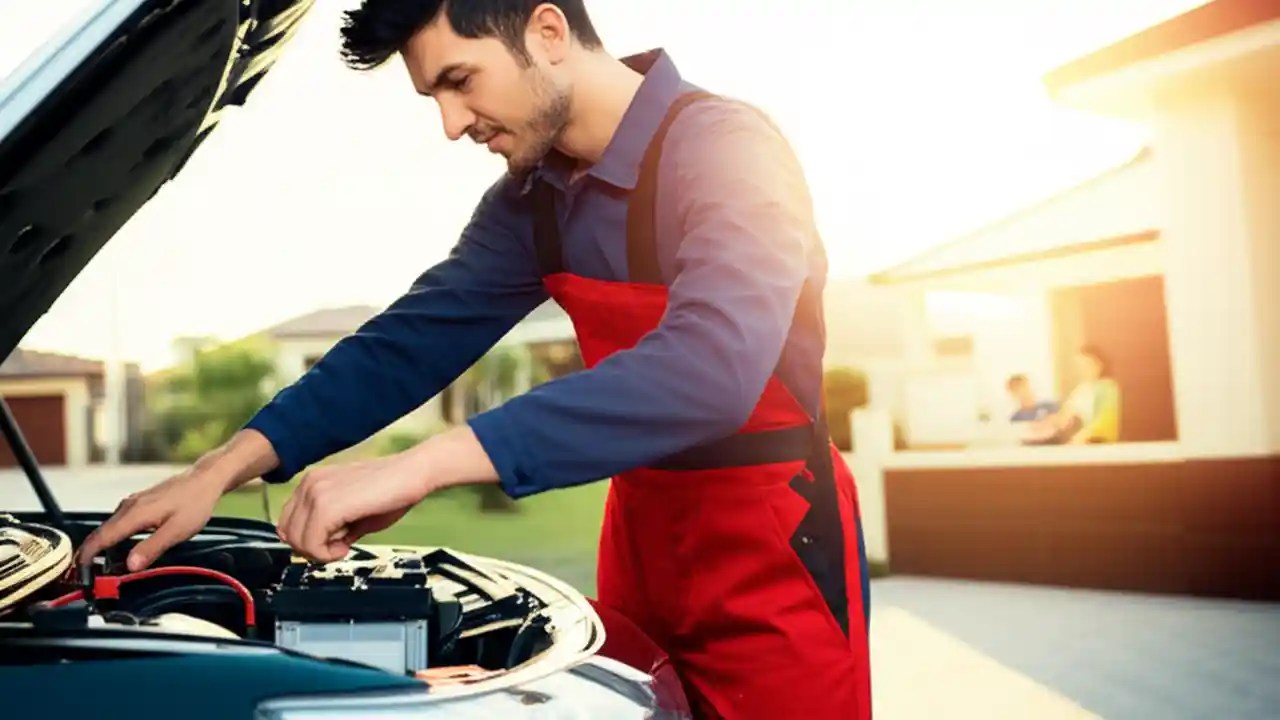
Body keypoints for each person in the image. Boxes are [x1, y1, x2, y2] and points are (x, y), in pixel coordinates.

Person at [76, 2, 872, 718]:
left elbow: (712, 366)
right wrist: (219, 470)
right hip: (643, 540)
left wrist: (427, 464)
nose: (453, 125)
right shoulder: (531, 201)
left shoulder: (728, 148)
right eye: (435, 98)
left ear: (548, 32)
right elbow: (408, 343)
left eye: (461, 82)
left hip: (779, 547)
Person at [1057, 345, 1121, 444]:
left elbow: (1105, 420)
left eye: (1087, 365)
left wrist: (1083, 436)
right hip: (1079, 444)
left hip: (1100, 443)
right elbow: (1065, 416)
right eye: (1080, 366)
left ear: (1099, 365)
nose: (1083, 370)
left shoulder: (1108, 388)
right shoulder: (1080, 390)